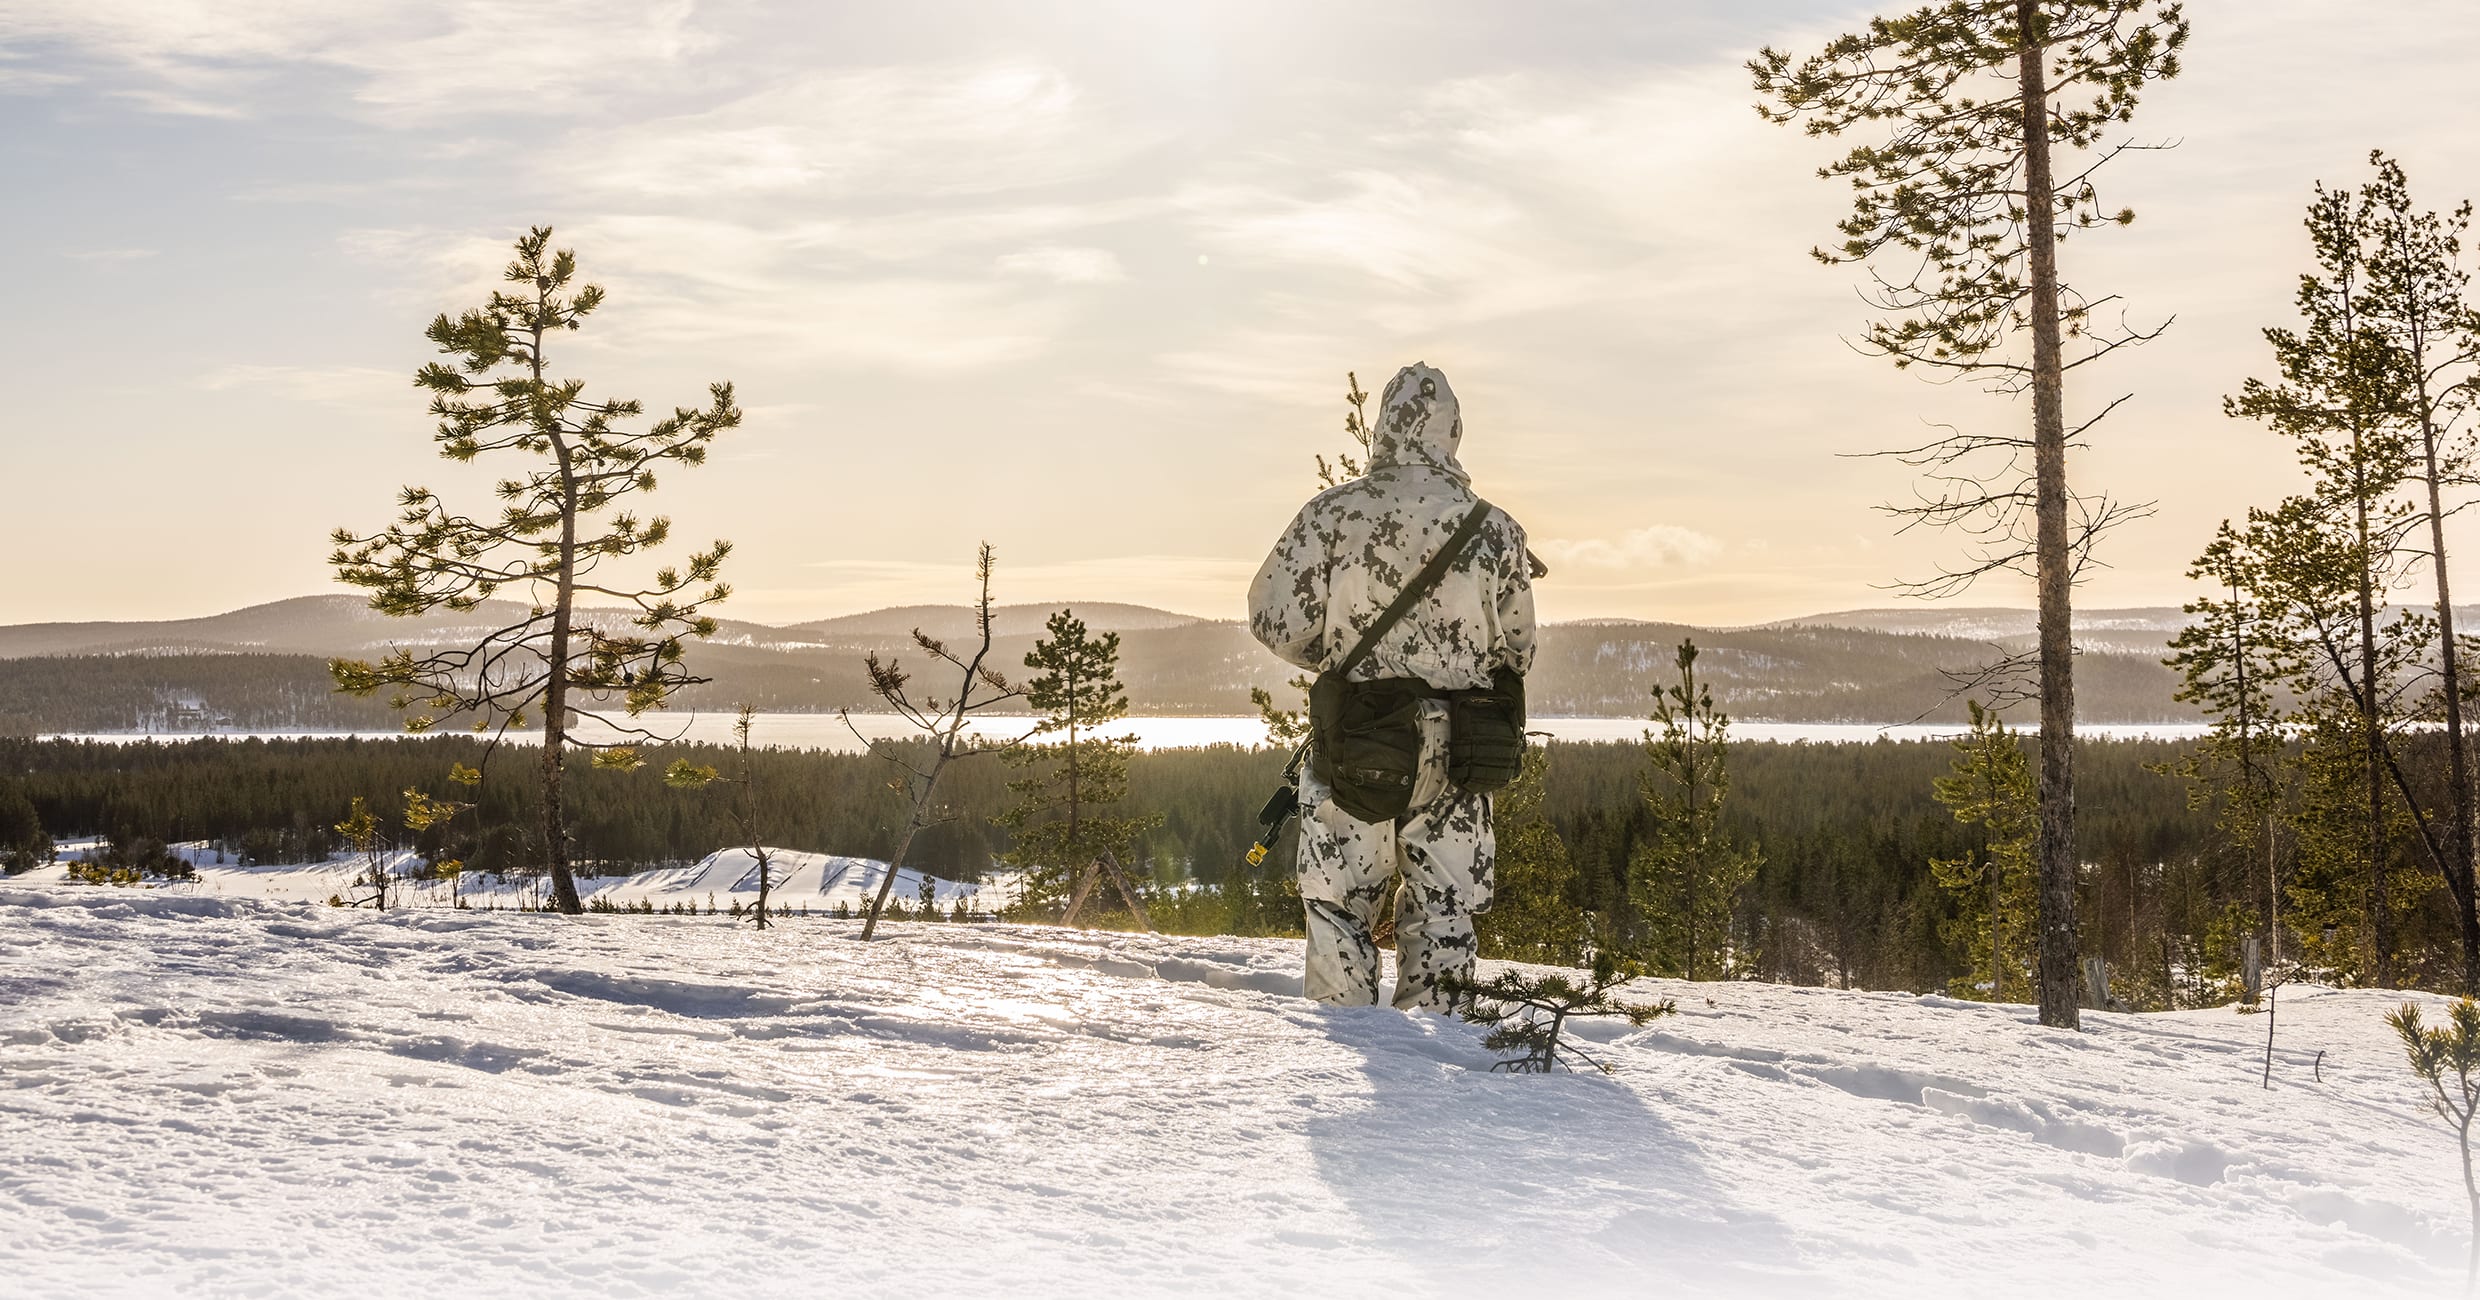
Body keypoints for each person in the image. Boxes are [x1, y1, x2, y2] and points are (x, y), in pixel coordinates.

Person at [1247, 363, 1537, 1009]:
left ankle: (1347, 1055)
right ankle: (1437, 1077)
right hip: (1460, 750)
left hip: (1359, 735)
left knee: (1339, 909)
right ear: (1454, 432)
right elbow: (1518, 650)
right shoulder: (1496, 530)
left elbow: (1270, 616)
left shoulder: (1332, 514)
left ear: (1382, 428)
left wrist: (1337, 654)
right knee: (1445, 915)